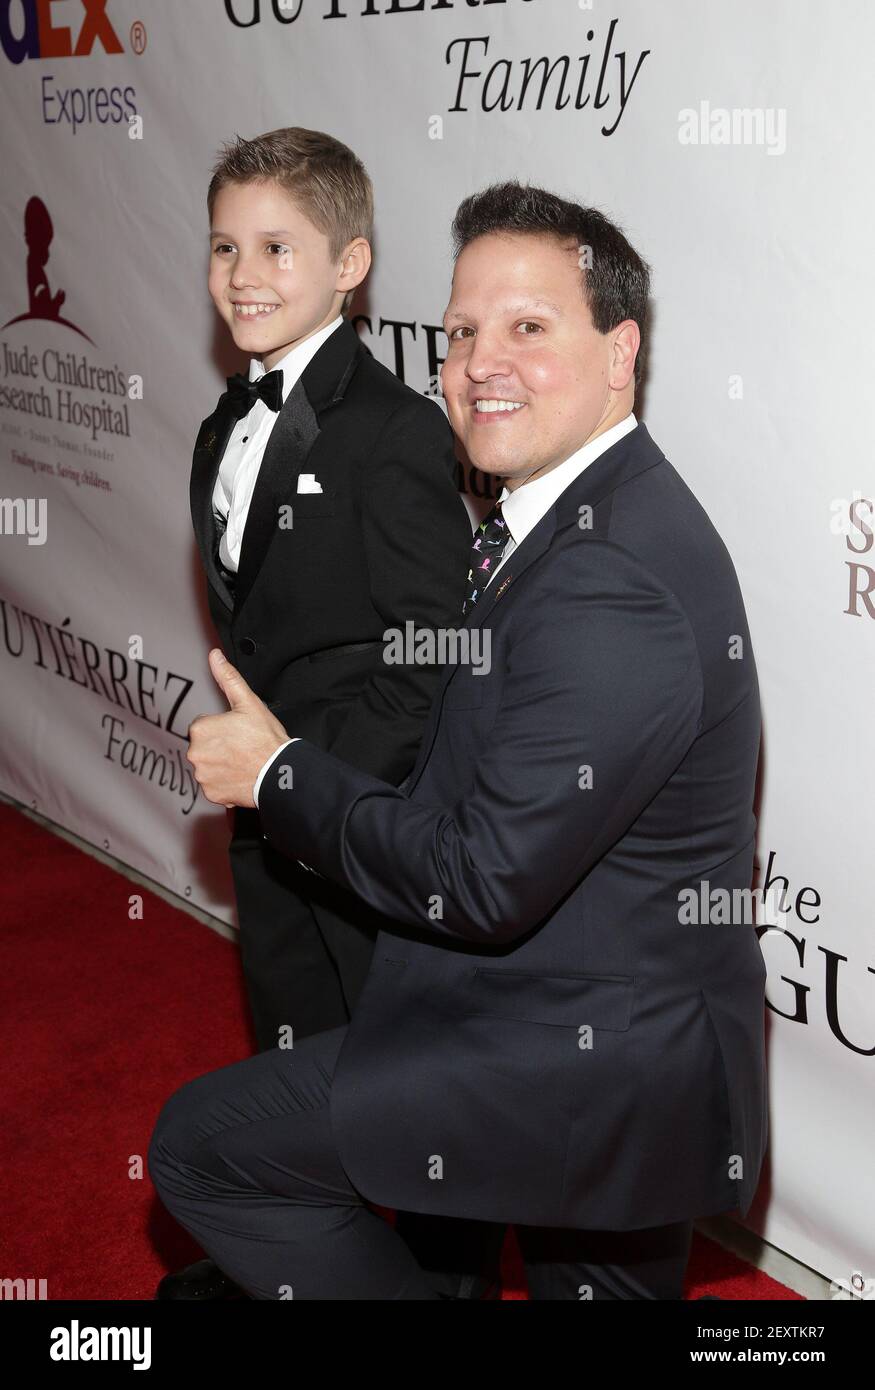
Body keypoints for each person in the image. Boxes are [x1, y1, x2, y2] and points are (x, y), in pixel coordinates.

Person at [150, 181, 768, 1300]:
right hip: (582, 1020)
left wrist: (277, 773)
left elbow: (481, 879)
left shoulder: (607, 579)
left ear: (617, 351)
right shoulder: (571, 513)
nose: (481, 360)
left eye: (528, 328)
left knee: (206, 1146)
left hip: (584, 1063)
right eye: (461, 331)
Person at [159, 126, 485, 1300]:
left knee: (413, 1092)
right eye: (223, 247)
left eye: (276, 247)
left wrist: (301, 783)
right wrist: (270, 801)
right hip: (273, 836)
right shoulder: (218, 429)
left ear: (349, 264)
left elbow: (431, 657)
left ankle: (441, 1288)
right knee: (301, 1076)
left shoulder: (395, 433)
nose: (242, 275)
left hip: (370, 827)